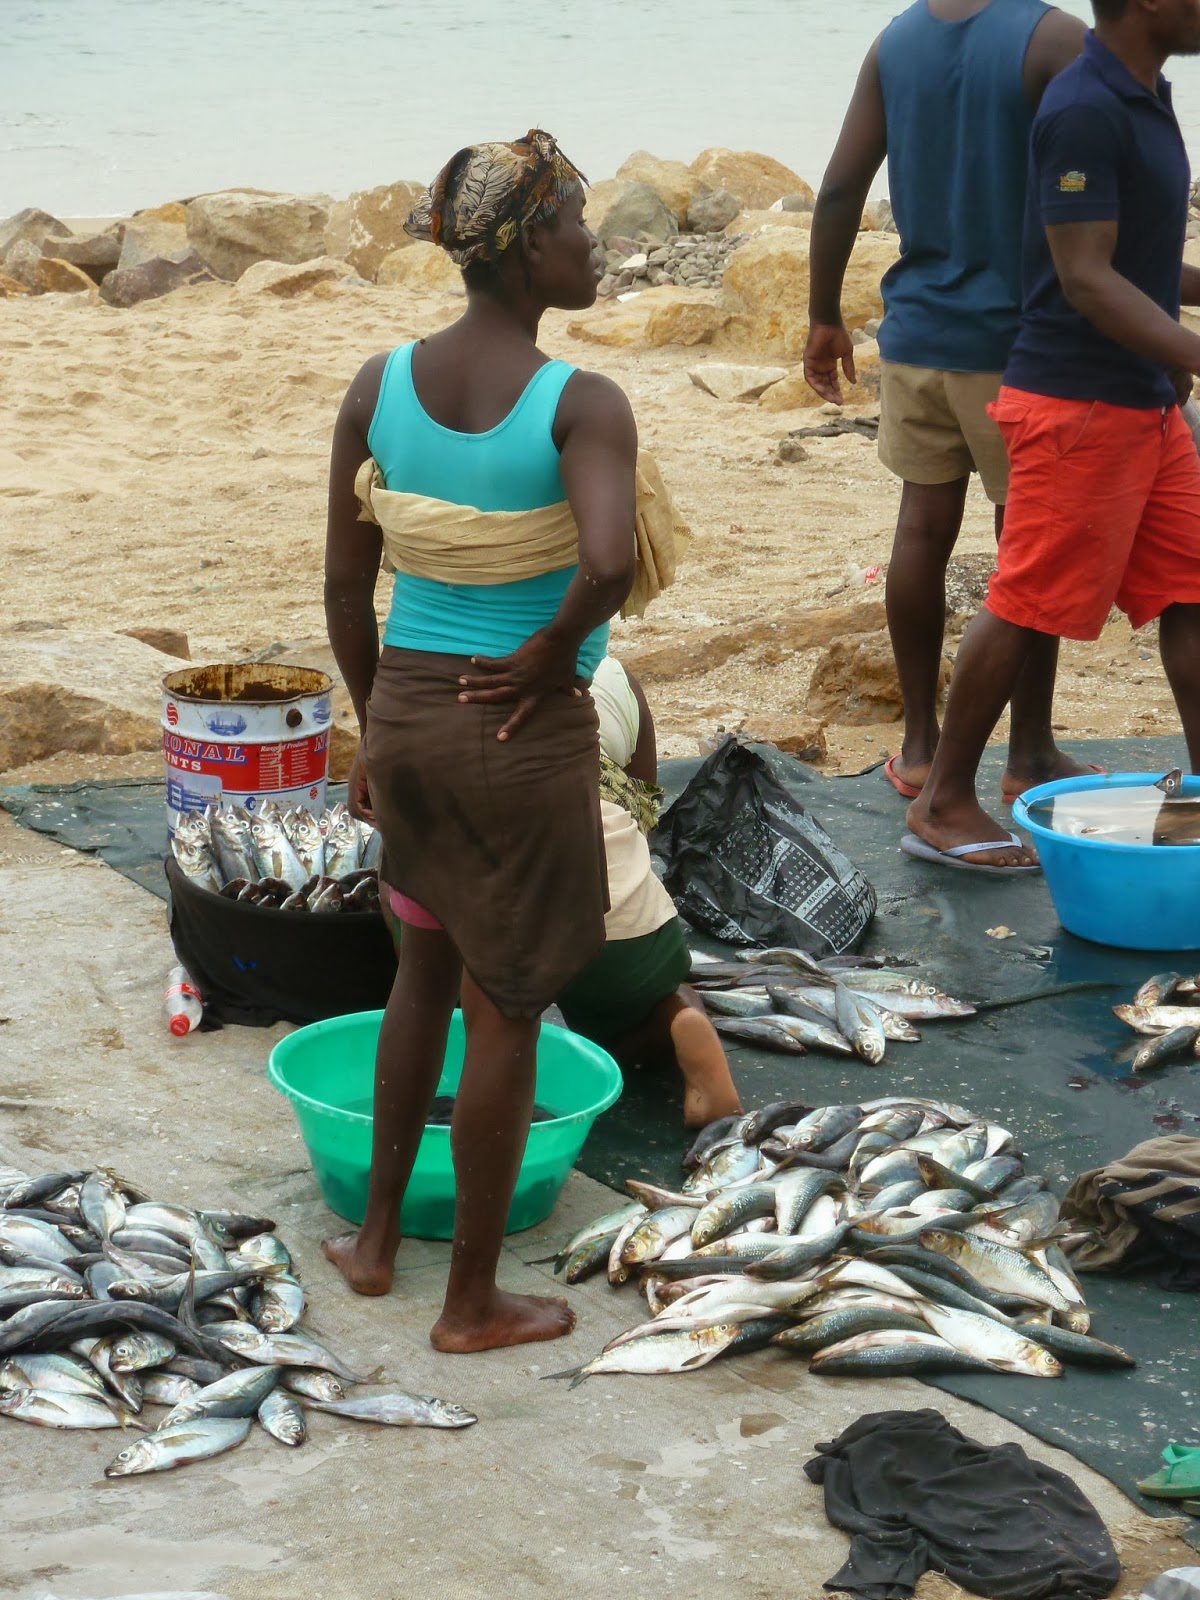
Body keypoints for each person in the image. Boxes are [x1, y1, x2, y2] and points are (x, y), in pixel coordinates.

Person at [321, 130, 639, 1352]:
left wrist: (371, 727)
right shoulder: (582, 403)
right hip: (513, 734)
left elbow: (349, 592)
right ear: (522, 252)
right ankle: (469, 1305)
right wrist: (550, 647)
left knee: (424, 973)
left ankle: (373, 1243)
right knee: (508, 1008)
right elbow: (608, 564)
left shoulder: (379, 384)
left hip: (406, 719)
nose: (593, 244)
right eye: (576, 224)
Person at [905, 0, 1200, 872]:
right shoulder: (1081, 107)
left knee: (1191, 591)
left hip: (1145, 403)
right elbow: (1083, 277)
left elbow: (1133, 260)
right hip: (1077, 406)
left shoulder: (1144, 94)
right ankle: (943, 799)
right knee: (1029, 604)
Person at [803, 0, 1090, 804]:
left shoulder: (895, 42)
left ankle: (920, 745)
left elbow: (838, 189)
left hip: (919, 336)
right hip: (1018, 345)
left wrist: (825, 314)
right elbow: (1096, 180)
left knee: (921, 529)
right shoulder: (1054, 37)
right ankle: (1029, 748)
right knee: (1025, 542)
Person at [555, 656, 744, 1130]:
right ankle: (674, 1016)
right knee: (630, 1021)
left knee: (430, 940)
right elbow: (642, 816)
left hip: (521, 925)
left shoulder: (438, 683)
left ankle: (457, 1031)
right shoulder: (613, 676)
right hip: (635, 923)